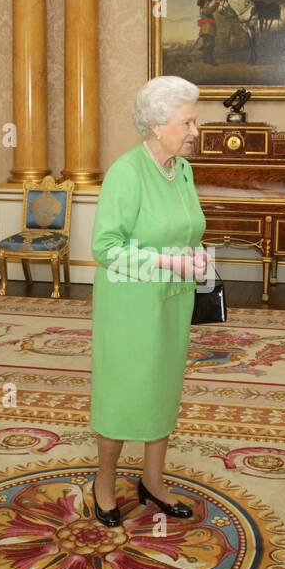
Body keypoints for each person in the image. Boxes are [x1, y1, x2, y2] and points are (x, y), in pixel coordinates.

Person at [89, 76, 207, 526]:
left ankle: (153, 481)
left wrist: (189, 257)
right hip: (130, 304)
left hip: (170, 301)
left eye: (195, 121)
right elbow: (106, 249)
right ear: (158, 124)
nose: (195, 131)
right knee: (123, 394)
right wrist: (167, 262)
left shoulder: (182, 169)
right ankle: (104, 484)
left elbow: (185, 226)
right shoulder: (126, 172)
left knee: (162, 390)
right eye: (188, 122)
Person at [195, 0, 221, 66]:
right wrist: (217, 2)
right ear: (203, 3)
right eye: (206, 1)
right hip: (207, 30)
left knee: (209, 45)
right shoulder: (204, 9)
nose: (208, 2)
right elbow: (211, 9)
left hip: (208, 30)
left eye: (208, 1)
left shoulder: (205, 8)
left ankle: (206, 59)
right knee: (210, 44)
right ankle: (210, 60)